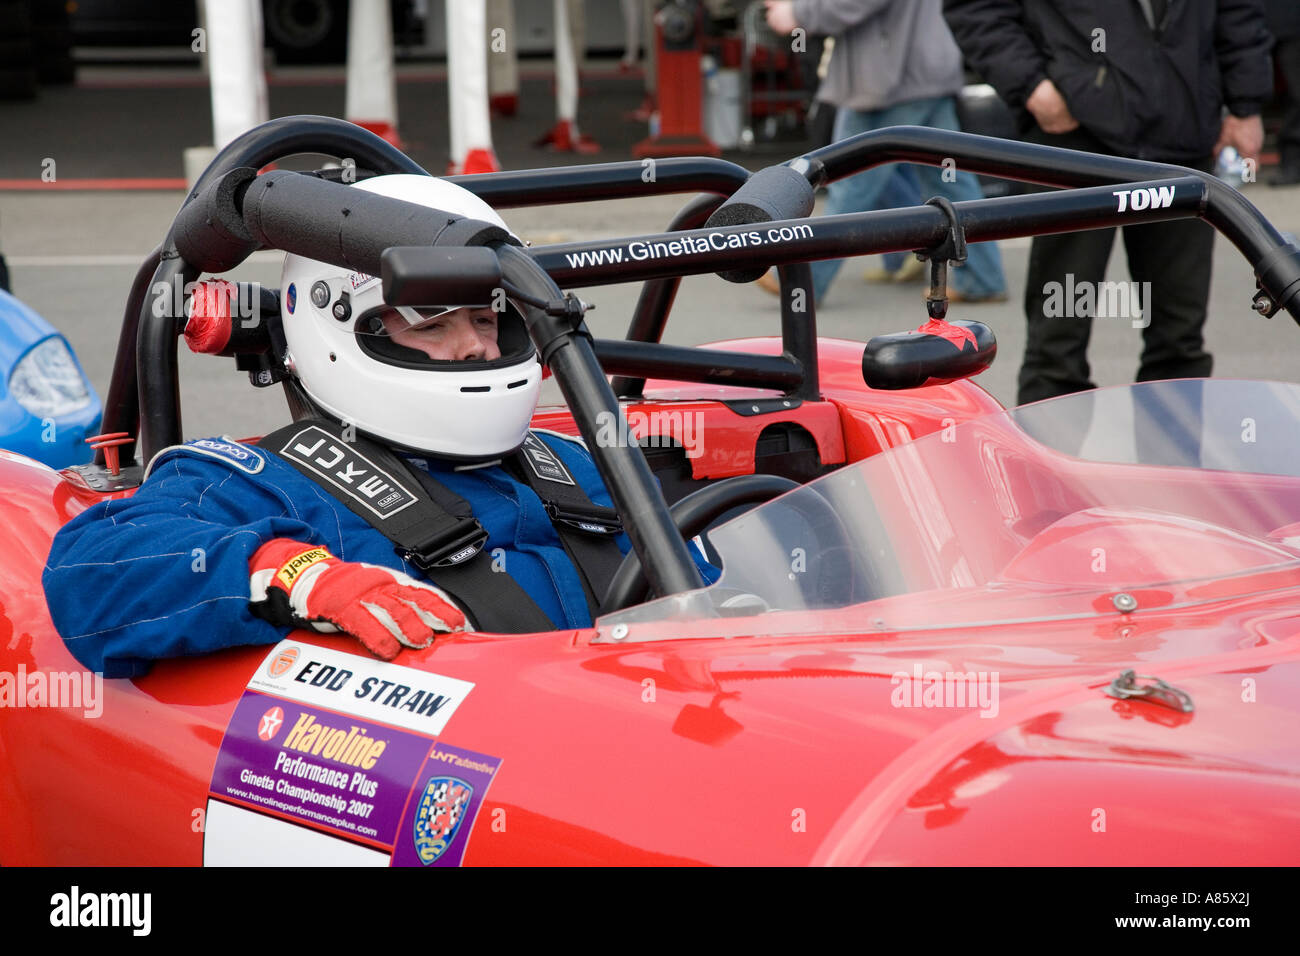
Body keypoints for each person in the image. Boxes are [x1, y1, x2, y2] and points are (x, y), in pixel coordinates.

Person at [43, 174, 715, 679]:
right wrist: (291, 573)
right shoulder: (273, 486)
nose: (476, 348)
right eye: (434, 324)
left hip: (628, 730)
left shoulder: (579, 464)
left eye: (487, 320)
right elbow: (91, 572)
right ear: (335, 328)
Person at [944, 0, 1272, 405]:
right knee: (1058, 340)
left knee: (1178, 342)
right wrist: (1031, 86)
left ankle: (1169, 465)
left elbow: (1237, 10)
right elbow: (975, 8)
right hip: (1075, 141)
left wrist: (1246, 103)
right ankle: (1048, 466)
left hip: (1181, 133)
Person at [757, 0, 1008, 304]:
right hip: (924, 66)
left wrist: (799, 13)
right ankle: (981, 277)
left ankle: (803, 281)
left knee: (850, 179)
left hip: (886, 75)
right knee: (949, 180)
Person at [1266, 0, 1300, 186]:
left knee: (1297, 91)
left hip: (1292, 18)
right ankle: (1238, 165)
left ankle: (1293, 160)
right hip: (1251, 19)